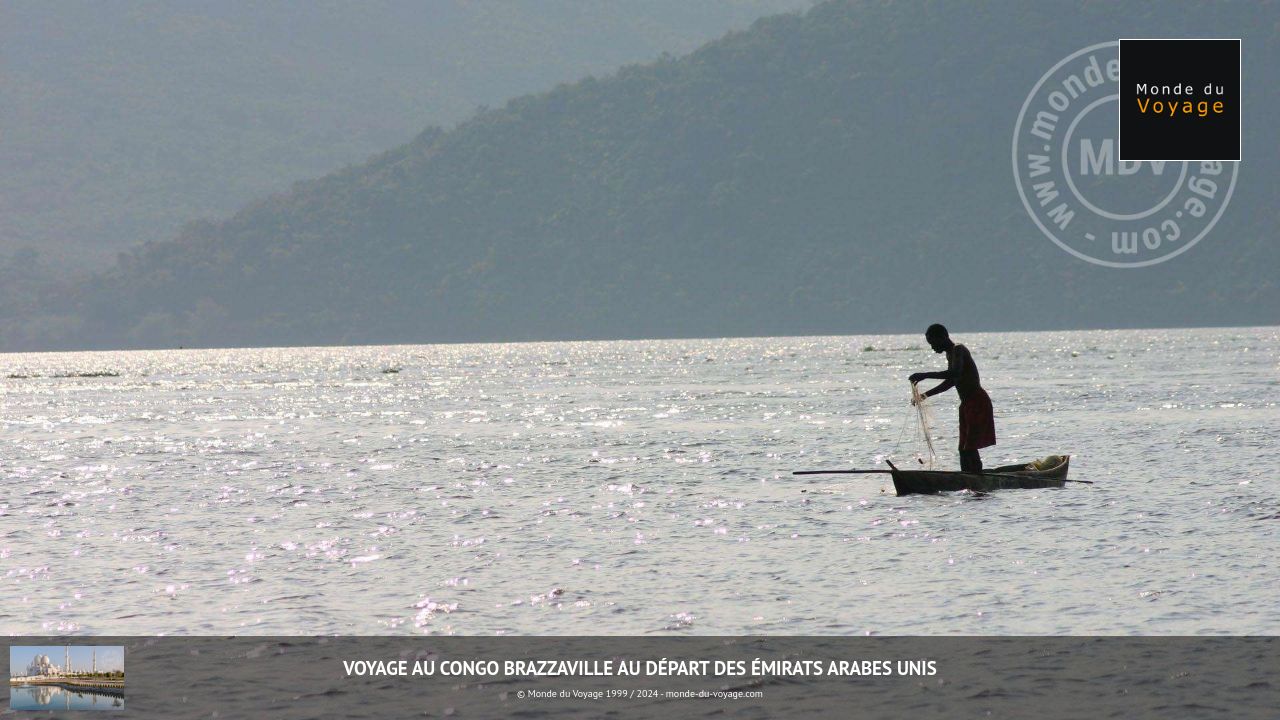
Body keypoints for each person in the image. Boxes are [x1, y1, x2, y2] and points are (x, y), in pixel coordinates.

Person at [908, 324, 995, 472]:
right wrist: (924, 395)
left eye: (933, 343)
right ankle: (967, 478)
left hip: (977, 402)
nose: (933, 348)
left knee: (970, 447)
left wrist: (924, 375)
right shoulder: (950, 354)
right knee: (963, 448)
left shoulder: (958, 349)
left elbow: (954, 373)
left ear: (943, 337)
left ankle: (976, 480)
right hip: (967, 404)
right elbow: (951, 382)